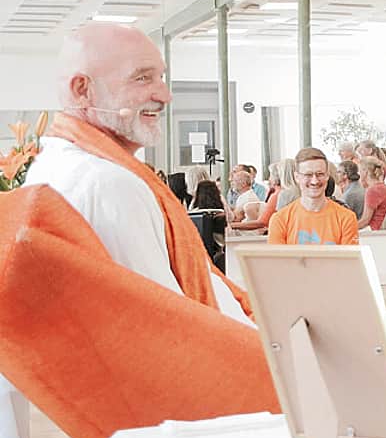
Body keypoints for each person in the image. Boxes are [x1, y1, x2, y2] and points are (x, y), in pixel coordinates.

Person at [24, 22, 252, 323]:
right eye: (142, 78)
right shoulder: (107, 183)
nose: (165, 95)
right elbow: (166, 321)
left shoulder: (56, 163)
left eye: (161, 77)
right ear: (82, 90)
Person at [268, 147, 358, 245]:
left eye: (320, 174)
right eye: (308, 175)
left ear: (327, 176)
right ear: (297, 177)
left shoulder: (346, 218)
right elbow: (277, 255)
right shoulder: (280, 220)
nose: (314, 181)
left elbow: (348, 255)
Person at [356, 157, 386, 231]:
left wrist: (347, 228)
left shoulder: (373, 190)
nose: (359, 174)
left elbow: (365, 220)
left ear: (365, 172)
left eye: (359, 171)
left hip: (375, 230)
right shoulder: (384, 188)